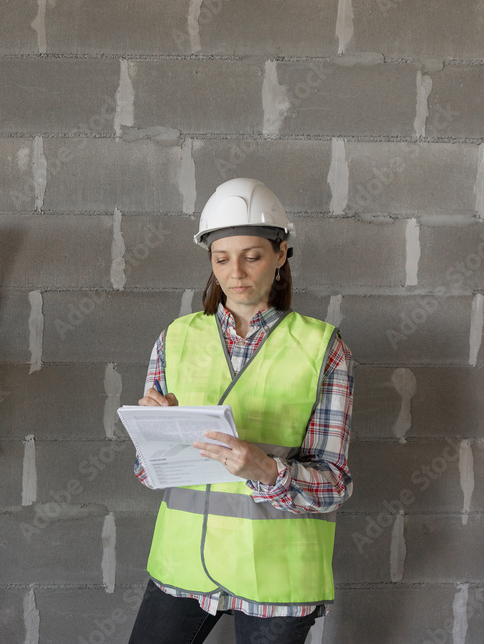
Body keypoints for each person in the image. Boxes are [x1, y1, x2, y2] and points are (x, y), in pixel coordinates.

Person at [127, 178, 354, 644]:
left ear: (281, 253)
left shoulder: (323, 349)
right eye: (222, 258)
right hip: (185, 562)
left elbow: (333, 484)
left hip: (277, 572)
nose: (236, 272)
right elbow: (148, 474)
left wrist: (267, 470)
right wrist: (159, 434)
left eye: (252, 256)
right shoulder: (176, 338)